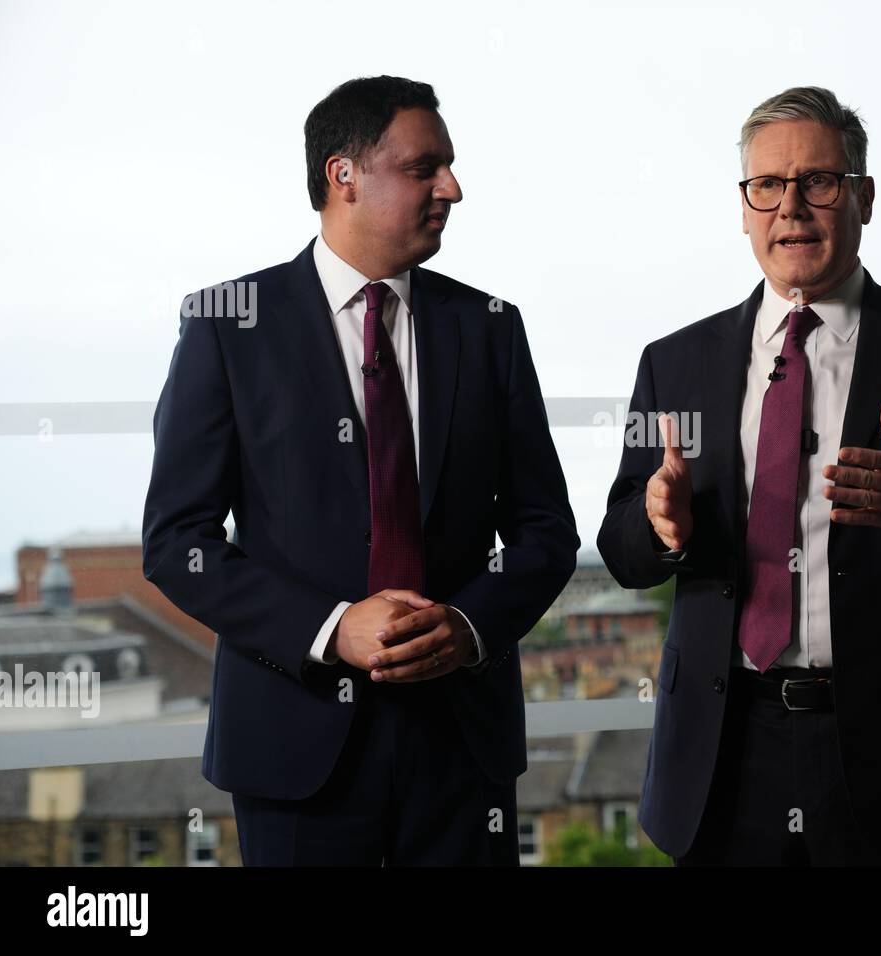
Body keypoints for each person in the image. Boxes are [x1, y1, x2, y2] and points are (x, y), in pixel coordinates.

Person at [598, 86, 881, 865]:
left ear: (863, 198)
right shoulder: (674, 363)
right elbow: (620, 546)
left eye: (819, 182)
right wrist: (657, 524)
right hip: (724, 754)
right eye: (767, 186)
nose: (791, 208)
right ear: (744, 208)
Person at [143, 76, 578, 865]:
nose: (452, 187)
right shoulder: (227, 326)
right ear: (343, 175)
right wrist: (332, 629)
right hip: (294, 748)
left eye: (447, 167)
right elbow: (178, 542)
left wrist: (468, 626)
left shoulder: (490, 330)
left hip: (462, 749)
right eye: (426, 167)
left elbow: (547, 531)